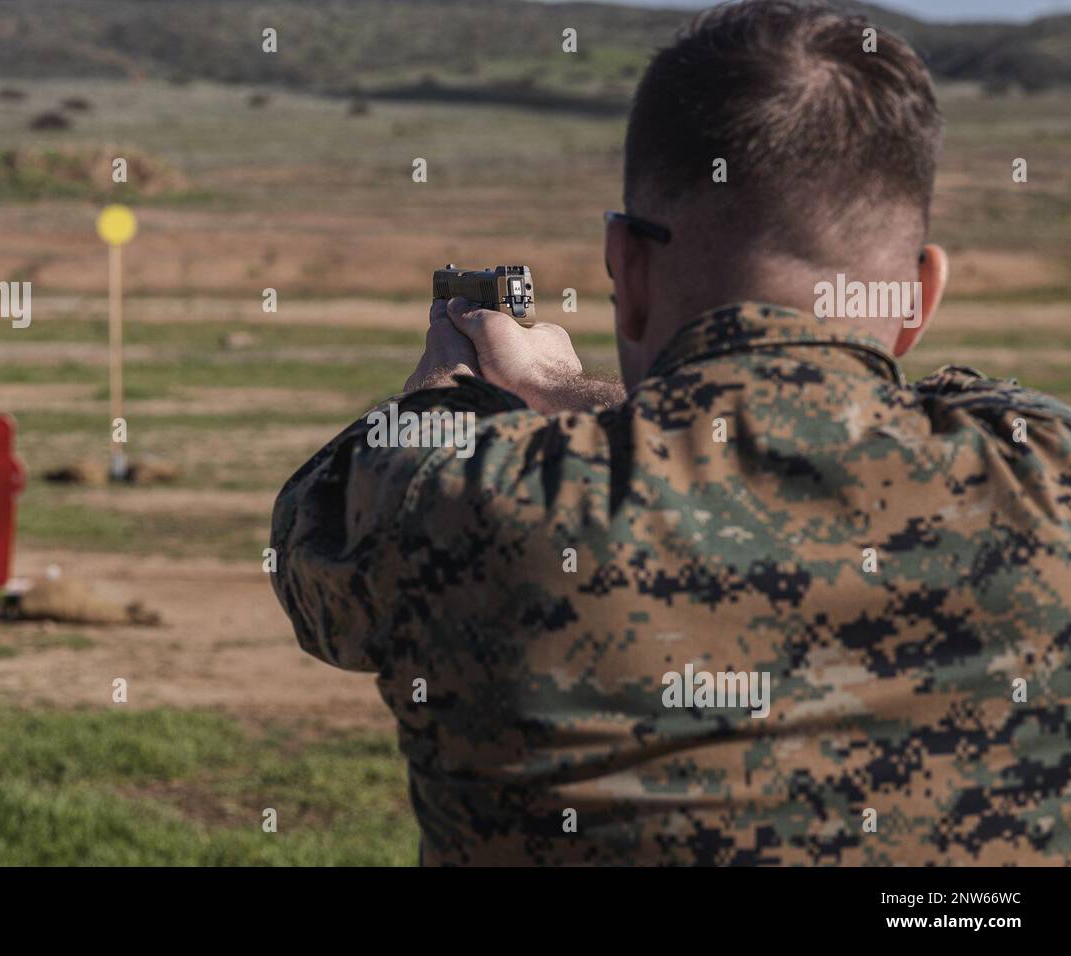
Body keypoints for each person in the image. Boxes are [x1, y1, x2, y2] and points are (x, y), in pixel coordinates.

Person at [269, 0, 1071, 865]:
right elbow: (816, 415)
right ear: (920, 293)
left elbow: (320, 543)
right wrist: (562, 387)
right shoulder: (1044, 479)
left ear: (630, 268)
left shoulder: (466, 505)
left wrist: (466, 390)